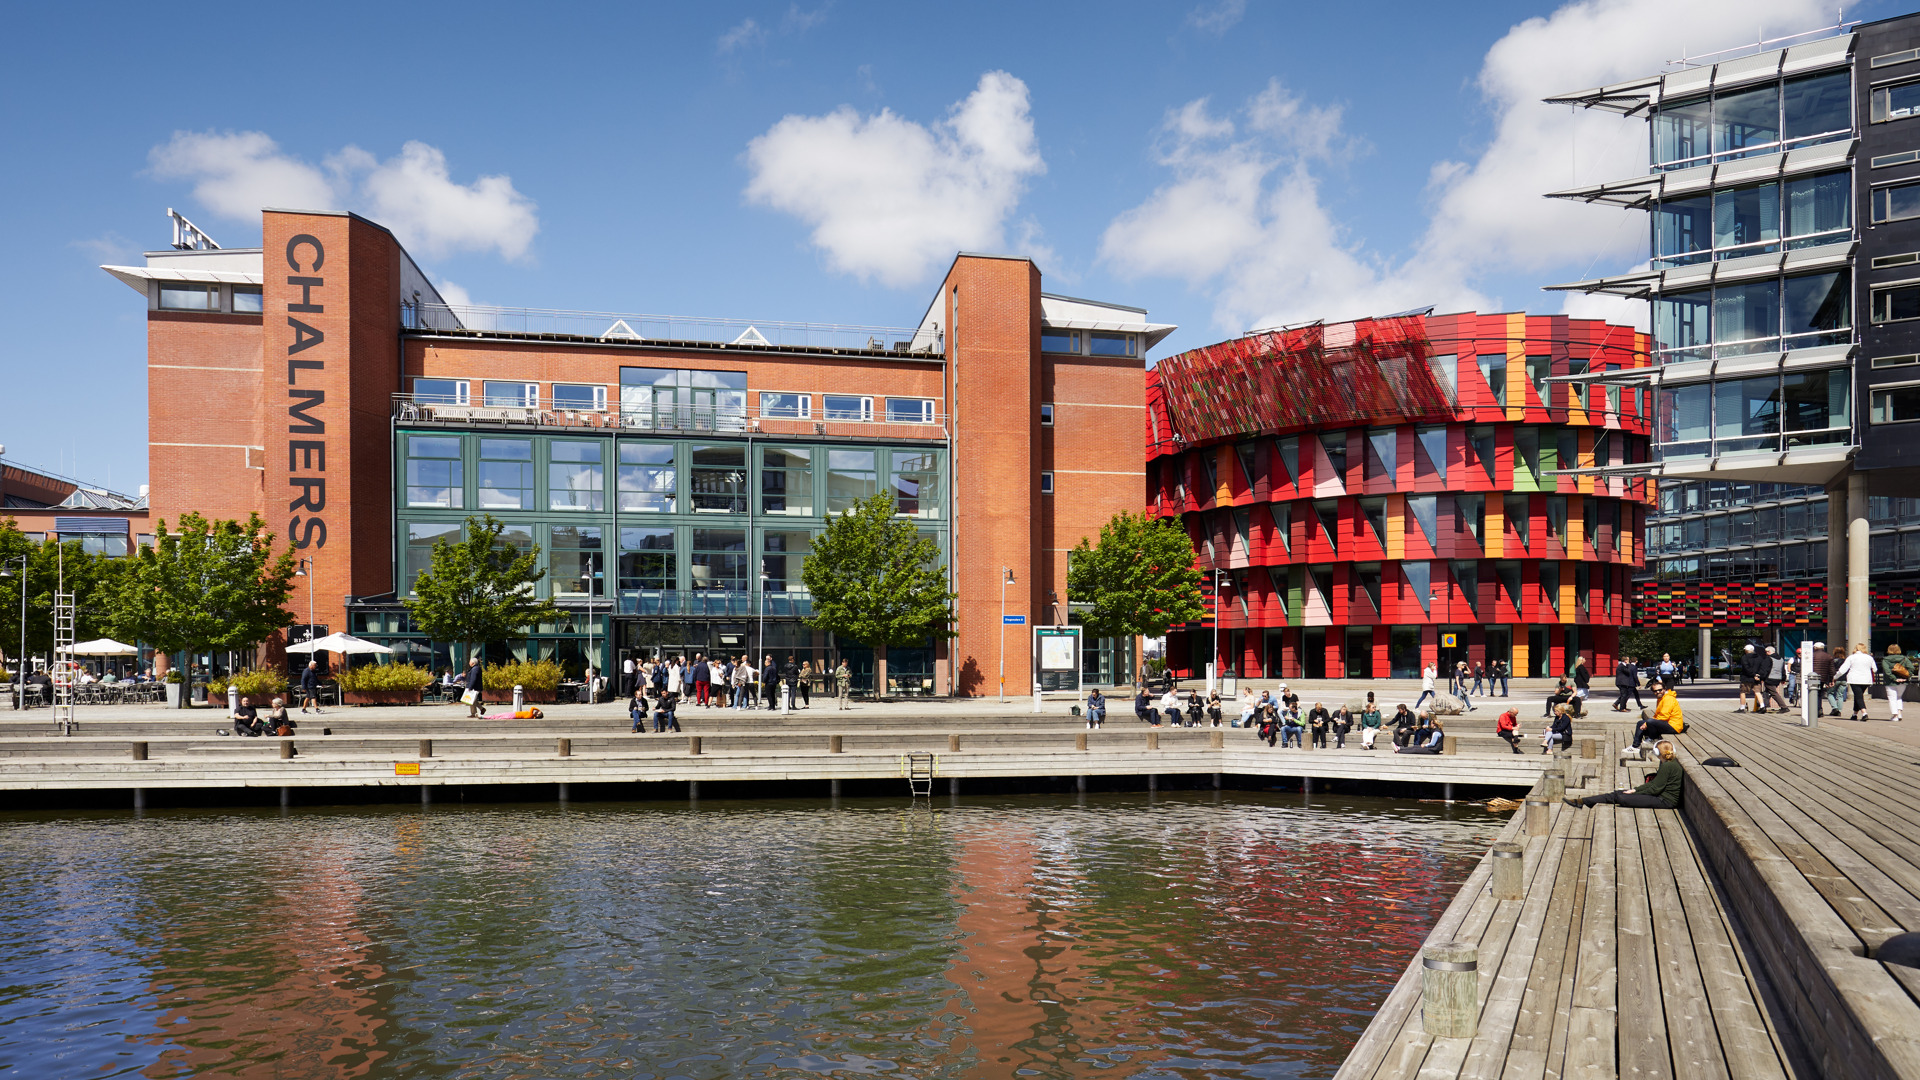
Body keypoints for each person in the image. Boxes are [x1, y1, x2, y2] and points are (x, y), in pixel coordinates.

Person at [1566, 741, 1684, 810]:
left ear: (1657, 752)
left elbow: (1655, 788)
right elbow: (1654, 784)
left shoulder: (1668, 765)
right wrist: (1634, 790)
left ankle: (1585, 802)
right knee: (1618, 793)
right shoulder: (1666, 763)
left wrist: (1635, 792)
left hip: (1666, 801)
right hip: (1660, 797)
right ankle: (1584, 801)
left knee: (1621, 797)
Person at [1634, 680, 1685, 750]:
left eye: (1660, 690)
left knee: (1650, 722)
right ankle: (1635, 746)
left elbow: (1664, 716)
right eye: (1655, 691)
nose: (1658, 692)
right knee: (1640, 723)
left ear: (1664, 689)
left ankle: (1652, 739)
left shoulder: (1668, 699)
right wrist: (1645, 723)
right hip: (1666, 723)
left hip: (1674, 726)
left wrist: (1647, 723)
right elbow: (1657, 715)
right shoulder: (1660, 699)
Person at [1836, 643, 1878, 721]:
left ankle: (1864, 713)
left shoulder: (1851, 657)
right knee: (1858, 695)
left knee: (1858, 696)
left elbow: (1843, 669)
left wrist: (1835, 677)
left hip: (1854, 679)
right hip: (1866, 680)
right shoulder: (1869, 658)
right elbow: (1875, 669)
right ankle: (1854, 714)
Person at [1812, 642, 1841, 717]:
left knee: (1812, 694)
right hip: (1823, 678)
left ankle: (1816, 709)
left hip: (1812, 677)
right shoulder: (1828, 656)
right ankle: (1819, 709)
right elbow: (1832, 669)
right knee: (1819, 693)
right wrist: (1832, 679)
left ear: (1815, 648)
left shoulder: (1812, 655)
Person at [1882, 644, 1910, 723]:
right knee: (1899, 697)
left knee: (1892, 698)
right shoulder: (1904, 658)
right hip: (1903, 681)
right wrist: (1906, 676)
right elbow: (1911, 668)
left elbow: (1887, 671)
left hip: (1890, 682)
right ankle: (1900, 713)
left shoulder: (1885, 660)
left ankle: (1895, 715)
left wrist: (1894, 678)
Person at [1736, 644, 1765, 712]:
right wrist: (1758, 675)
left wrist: (1753, 675)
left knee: (1743, 692)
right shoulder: (1759, 657)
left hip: (1746, 677)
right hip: (1756, 678)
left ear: (1746, 650)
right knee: (1758, 692)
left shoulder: (1744, 657)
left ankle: (1742, 707)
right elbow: (1762, 667)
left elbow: (1746, 668)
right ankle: (1762, 706)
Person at [1760, 646, 1790, 713]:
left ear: (1769, 652)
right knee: (1766, 692)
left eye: (1766, 652)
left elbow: (1765, 670)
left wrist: (1761, 678)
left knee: (1773, 693)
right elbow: (1783, 670)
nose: (1766, 653)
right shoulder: (1781, 659)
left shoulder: (1768, 659)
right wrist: (1783, 679)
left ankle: (1784, 707)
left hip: (1770, 678)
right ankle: (1764, 706)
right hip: (1777, 678)